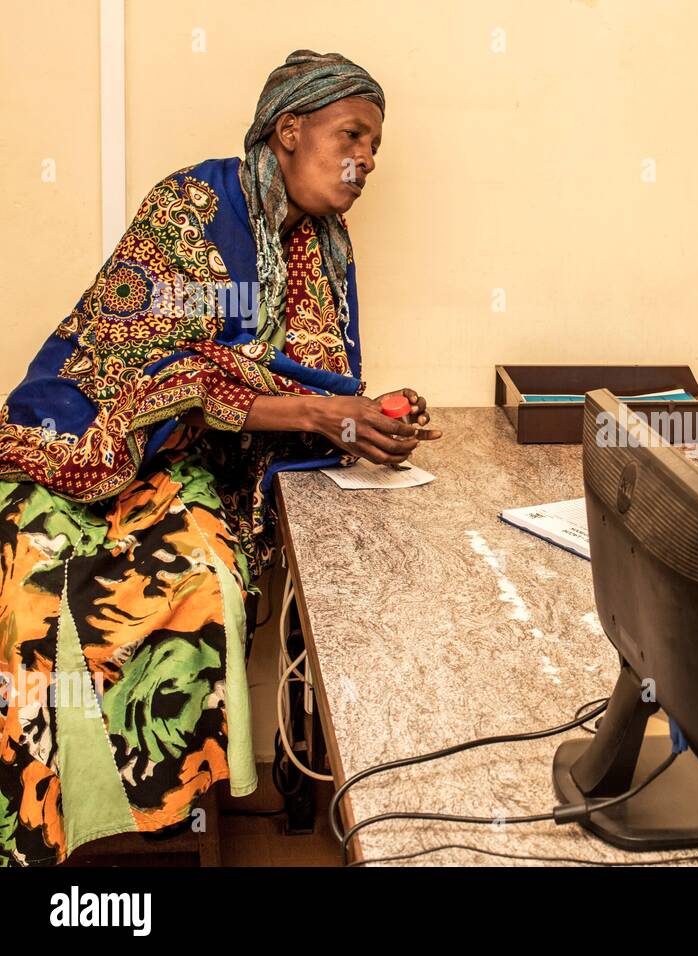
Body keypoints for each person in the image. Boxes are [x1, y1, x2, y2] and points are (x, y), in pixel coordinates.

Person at [0, 50, 437, 865]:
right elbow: (147, 365)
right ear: (289, 130)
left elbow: (314, 379)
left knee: (204, 584)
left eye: (377, 147)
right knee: (29, 589)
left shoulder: (326, 249)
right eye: (354, 137)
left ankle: (171, 827)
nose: (367, 161)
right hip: (91, 442)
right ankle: (48, 823)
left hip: (200, 471)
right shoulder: (192, 205)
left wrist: (370, 415)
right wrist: (315, 407)